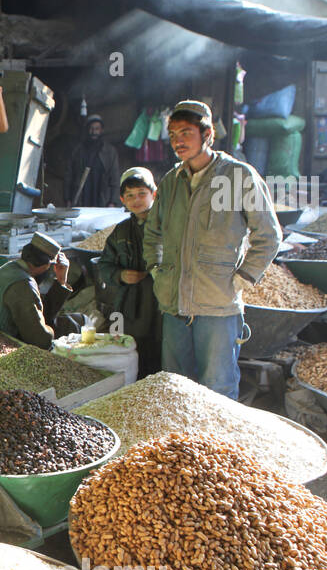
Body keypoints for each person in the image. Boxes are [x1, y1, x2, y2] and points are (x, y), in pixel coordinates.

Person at [144, 100, 281, 400]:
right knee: (176, 388)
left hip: (217, 304)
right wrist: (157, 271)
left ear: (207, 135)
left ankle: (219, 447)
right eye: (172, 134)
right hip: (174, 305)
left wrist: (244, 277)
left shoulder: (237, 177)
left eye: (186, 132)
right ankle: (181, 446)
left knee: (218, 388)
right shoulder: (170, 182)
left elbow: (269, 235)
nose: (178, 141)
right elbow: (152, 233)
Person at [97, 167, 163, 376]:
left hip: (160, 303)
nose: (136, 200)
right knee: (131, 352)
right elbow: (105, 264)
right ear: (122, 199)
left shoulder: (167, 225)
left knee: (159, 354)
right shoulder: (121, 231)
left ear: (154, 194)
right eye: (130, 196)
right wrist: (120, 275)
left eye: (142, 194)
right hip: (130, 305)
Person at [0, 232, 76, 349]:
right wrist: (52, 331)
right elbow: (41, 341)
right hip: (0, 346)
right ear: (45, 265)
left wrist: (61, 281)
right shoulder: (23, 284)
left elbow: (38, 312)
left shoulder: (4, 269)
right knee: (70, 327)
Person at [65, 114, 121, 208]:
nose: (93, 132)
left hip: (102, 199)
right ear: (87, 130)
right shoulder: (78, 151)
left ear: (101, 130)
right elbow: (69, 176)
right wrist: (68, 199)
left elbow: (115, 179)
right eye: (91, 128)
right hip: (82, 198)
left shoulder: (110, 152)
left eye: (97, 129)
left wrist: (113, 201)